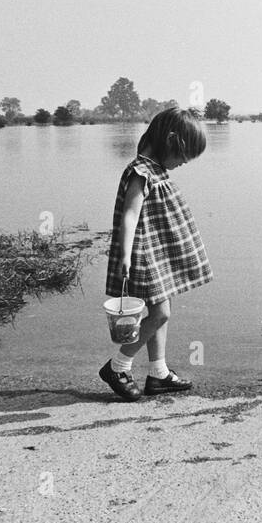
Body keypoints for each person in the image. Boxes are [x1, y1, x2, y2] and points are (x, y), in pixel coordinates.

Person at [99, 105, 212, 400]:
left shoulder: (157, 169)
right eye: (182, 157)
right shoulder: (140, 172)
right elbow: (130, 215)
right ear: (170, 141)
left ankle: (158, 373)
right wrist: (125, 255)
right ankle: (118, 366)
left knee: (163, 312)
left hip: (160, 254)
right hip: (144, 255)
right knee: (160, 314)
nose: (183, 163)